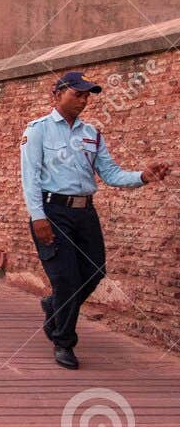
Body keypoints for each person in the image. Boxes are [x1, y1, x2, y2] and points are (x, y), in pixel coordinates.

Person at [20, 69, 170, 369]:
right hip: (53, 211)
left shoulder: (92, 134)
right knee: (65, 278)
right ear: (57, 95)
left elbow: (111, 174)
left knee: (94, 272)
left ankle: (54, 306)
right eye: (77, 94)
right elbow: (30, 178)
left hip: (85, 212)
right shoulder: (38, 130)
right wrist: (38, 217)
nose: (83, 100)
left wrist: (142, 176)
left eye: (87, 95)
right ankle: (63, 340)